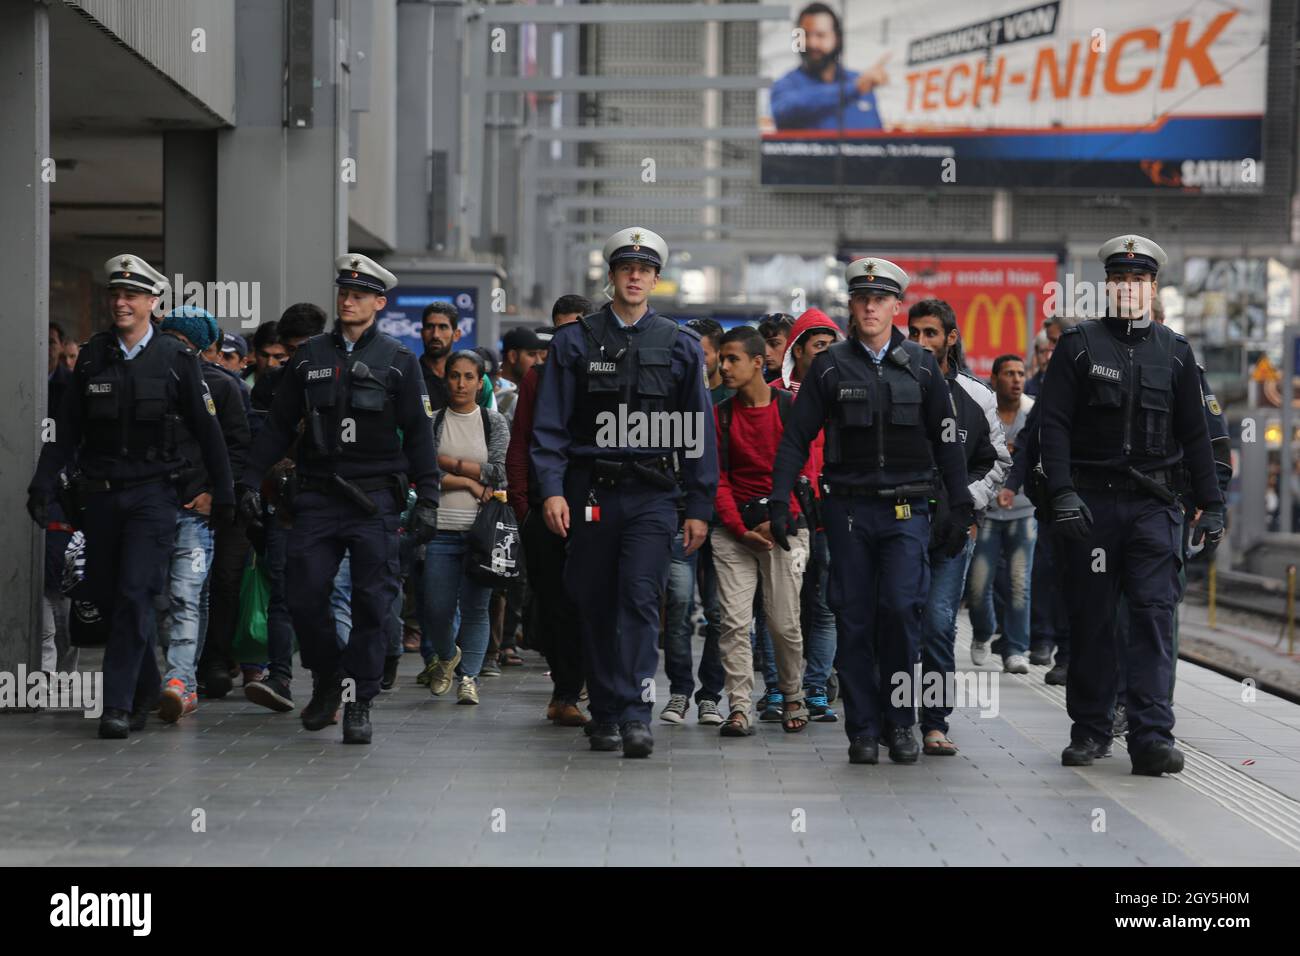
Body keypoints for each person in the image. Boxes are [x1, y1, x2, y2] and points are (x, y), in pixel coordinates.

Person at [769, 256, 972, 765]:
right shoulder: (830, 367)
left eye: (880, 299)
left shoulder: (923, 367)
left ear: (895, 306)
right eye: (862, 298)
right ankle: (862, 728)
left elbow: (947, 443)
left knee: (902, 612)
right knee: (854, 619)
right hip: (849, 513)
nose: (870, 307)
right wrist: (779, 499)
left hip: (908, 510)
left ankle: (901, 721)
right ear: (852, 306)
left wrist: (960, 506)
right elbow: (796, 437)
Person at [1037, 234, 1225, 776]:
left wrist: (1211, 505)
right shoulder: (1077, 346)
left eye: (1138, 280)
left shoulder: (1176, 352)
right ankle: (1091, 731)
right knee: (1093, 622)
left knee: (1152, 619)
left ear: (1153, 287)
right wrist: (1063, 492)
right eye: (1119, 279)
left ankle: (1151, 738)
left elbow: (1197, 437)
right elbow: (1054, 426)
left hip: (1153, 509)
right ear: (1107, 286)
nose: (1128, 288)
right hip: (1092, 508)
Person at [27, 254, 234, 739]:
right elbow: (66, 430)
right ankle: (144, 688)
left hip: (154, 496)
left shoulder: (177, 359)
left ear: (153, 302)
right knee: (105, 594)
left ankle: (116, 704)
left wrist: (223, 493)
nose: (121, 302)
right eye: (116, 294)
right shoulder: (94, 356)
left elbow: (209, 434)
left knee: (137, 592)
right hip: (99, 497)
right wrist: (42, 481)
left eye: (132, 295)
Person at [236, 253, 441, 745]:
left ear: (378, 302)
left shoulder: (398, 359)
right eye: (343, 292)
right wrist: (247, 480)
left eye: (358, 294)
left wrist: (429, 497)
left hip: (375, 501)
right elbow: (279, 425)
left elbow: (418, 436)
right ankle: (328, 677)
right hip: (316, 496)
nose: (347, 300)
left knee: (373, 604)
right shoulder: (308, 358)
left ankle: (358, 700)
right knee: (304, 596)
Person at [532, 227, 718, 758]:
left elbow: (698, 431)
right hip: (590, 492)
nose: (635, 277)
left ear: (656, 279)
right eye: (625, 268)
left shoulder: (680, 346)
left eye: (645, 269)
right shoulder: (575, 342)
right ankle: (607, 711)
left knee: (639, 600)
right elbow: (550, 427)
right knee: (594, 602)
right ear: (611, 276)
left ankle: (635, 713)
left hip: (653, 496)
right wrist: (551, 490)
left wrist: (699, 505)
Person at [907, 299, 1008, 754]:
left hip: (953, 531)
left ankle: (934, 722)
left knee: (937, 622)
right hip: (899, 524)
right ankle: (893, 714)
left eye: (931, 333)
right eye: (914, 333)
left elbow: (998, 462)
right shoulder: (893, 385)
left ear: (950, 338)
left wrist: (964, 505)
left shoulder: (978, 395)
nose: (921, 342)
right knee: (894, 617)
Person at [711, 325, 816, 736]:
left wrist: (777, 519)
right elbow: (716, 479)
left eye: (733, 359)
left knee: (784, 623)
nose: (725, 367)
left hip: (785, 527)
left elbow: (803, 473)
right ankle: (738, 707)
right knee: (734, 623)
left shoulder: (790, 408)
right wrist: (739, 529)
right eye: (722, 359)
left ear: (758, 362)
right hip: (734, 530)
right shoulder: (719, 414)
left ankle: (793, 695)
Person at [154, 306, 251, 722]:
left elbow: (236, 449)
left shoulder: (223, 388)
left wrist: (216, 494)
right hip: (152, 507)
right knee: (161, 599)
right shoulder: (146, 379)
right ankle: (180, 678)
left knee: (187, 596)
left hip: (196, 511)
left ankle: (180, 681)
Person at [231, 303, 329, 711]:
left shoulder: (336, 375)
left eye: (303, 347)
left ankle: (329, 682)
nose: (297, 357)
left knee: (328, 596)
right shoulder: (271, 385)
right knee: (283, 592)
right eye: (290, 350)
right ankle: (280, 677)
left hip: (331, 502)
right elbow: (261, 439)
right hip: (285, 501)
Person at [506, 295, 592, 726]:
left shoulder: (604, 375)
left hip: (593, 506)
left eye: (575, 327)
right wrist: (523, 507)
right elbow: (520, 442)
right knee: (553, 602)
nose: (567, 337)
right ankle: (564, 688)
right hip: (543, 508)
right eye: (559, 329)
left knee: (588, 600)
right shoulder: (538, 379)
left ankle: (582, 685)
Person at [418, 350, 511, 704]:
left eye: (468, 377)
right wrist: (470, 482)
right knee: (437, 609)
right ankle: (446, 657)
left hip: (481, 533)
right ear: (447, 379)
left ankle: (468, 677)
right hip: (439, 530)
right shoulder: (433, 420)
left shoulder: (493, 422)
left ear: (480, 381)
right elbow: (426, 474)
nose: (460, 383)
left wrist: (451, 464)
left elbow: (499, 472)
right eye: (455, 376)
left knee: (476, 607)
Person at [658, 317, 728, 727]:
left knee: (719, 612)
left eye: (702, 355)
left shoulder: (729, 398)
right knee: (680, 605)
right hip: (678, 513)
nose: (695, 363)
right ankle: (680, 691)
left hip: (722, 522)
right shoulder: (673, 394)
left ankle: (710, 694)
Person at [775, 308, 843, 720]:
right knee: (782, 607)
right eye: (818, 347)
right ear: (796, 351)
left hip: (831, 516)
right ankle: (781, 689)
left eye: (831, 347)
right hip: (791, 518)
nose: (826, 355)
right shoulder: (771, 396)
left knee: (824, 605)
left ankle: (816, 687)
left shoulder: (847, 394)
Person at [983, 356, 1042, 672]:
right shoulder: (983, 410)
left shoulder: (1033, 412)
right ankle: (983, 631)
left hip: (1023, 511)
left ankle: (1017, 647)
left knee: (1020, 581)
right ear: (994, 379)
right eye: (1009, 374)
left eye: (1021, 374)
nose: (1017, 380)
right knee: (979, 584)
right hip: (986, 511)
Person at [769, 2, 888, 132]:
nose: (812, 43)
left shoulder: (860, 83)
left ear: (837, 38)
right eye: (804, 36)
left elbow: (877, 139)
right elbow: (789, 109)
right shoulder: (786, 85)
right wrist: (853, 89)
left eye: (820, 35)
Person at [419, 301, 461, 412]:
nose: (435, 335)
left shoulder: (467, 377)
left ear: (456, 335)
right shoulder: (410, 374)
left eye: (443, 327)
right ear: (422, 333)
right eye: (429, 327)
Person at [1024, 320, 1060, 397]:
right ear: (1036, 353)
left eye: (1052, 351)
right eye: (1043, 352)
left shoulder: (1070, 383)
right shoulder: (1026, 388)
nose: (1048, 357)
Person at [246, 320, 287, 387]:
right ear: (255, 353)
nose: (270, 363)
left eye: (278, 357)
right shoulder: (237, 384)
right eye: (264, 355)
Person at [758, 313, 794, 383]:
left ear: (793, 344)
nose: (766, 353)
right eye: (761, 345)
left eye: (774, 344)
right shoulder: (756, 385)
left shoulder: (814, 381)